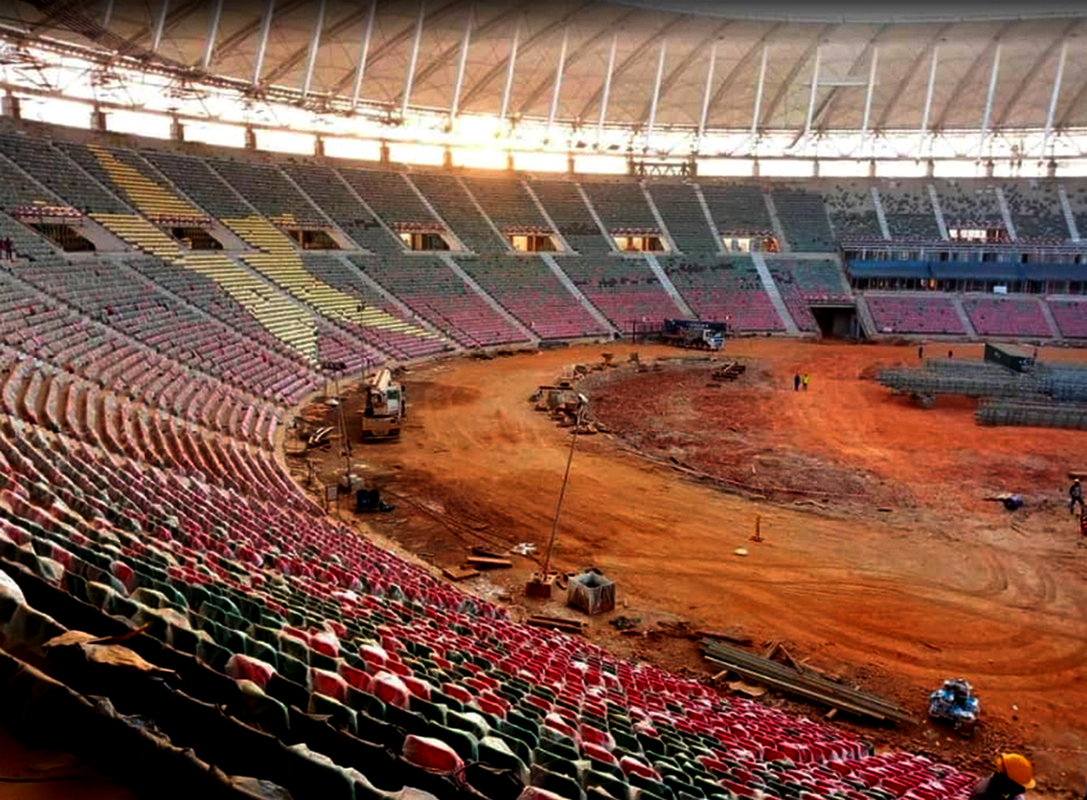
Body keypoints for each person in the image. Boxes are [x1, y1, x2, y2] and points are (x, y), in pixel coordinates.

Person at [970, 753, 1035, 800]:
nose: (1022, 790)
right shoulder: (983, 796)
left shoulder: (1001, 788)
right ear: (1007, 781)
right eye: (1019, 787)